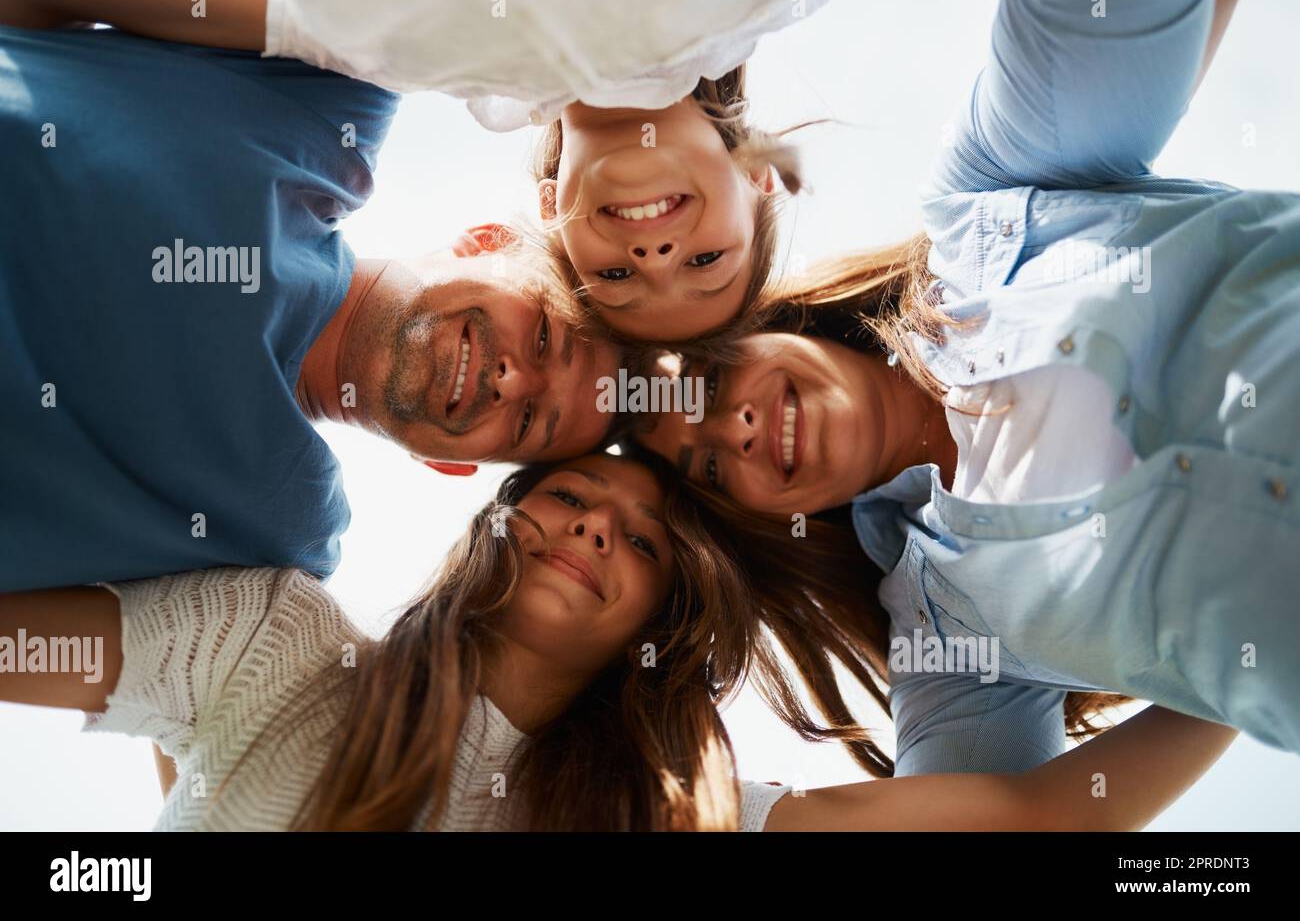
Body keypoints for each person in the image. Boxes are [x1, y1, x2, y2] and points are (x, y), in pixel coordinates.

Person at [634, 0, 1300, 762]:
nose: (734, 431)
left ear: (763, 321)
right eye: (707, 468)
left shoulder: (986, 198)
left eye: (709, 387)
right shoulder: (946, 637)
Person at [0, 451, 1238, 830]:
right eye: (570, 498)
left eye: (644, 543)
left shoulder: (682, 815)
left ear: (665, 619)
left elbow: (1033, 821)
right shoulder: (265, 640)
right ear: (499, 514)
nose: (593, 530)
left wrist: (1250, 670)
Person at [0, 0, 1008, 344]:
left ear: (549, 210)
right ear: (756, 180)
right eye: (708, 260)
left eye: (613, 277)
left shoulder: (373, 48)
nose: (653, 257)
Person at [0, 20, 623, 592]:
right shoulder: (334, 91)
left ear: (449, 465)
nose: (514, 380)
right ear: (491, 241)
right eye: (544, 336)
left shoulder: (281, 546)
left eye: (527, 423)